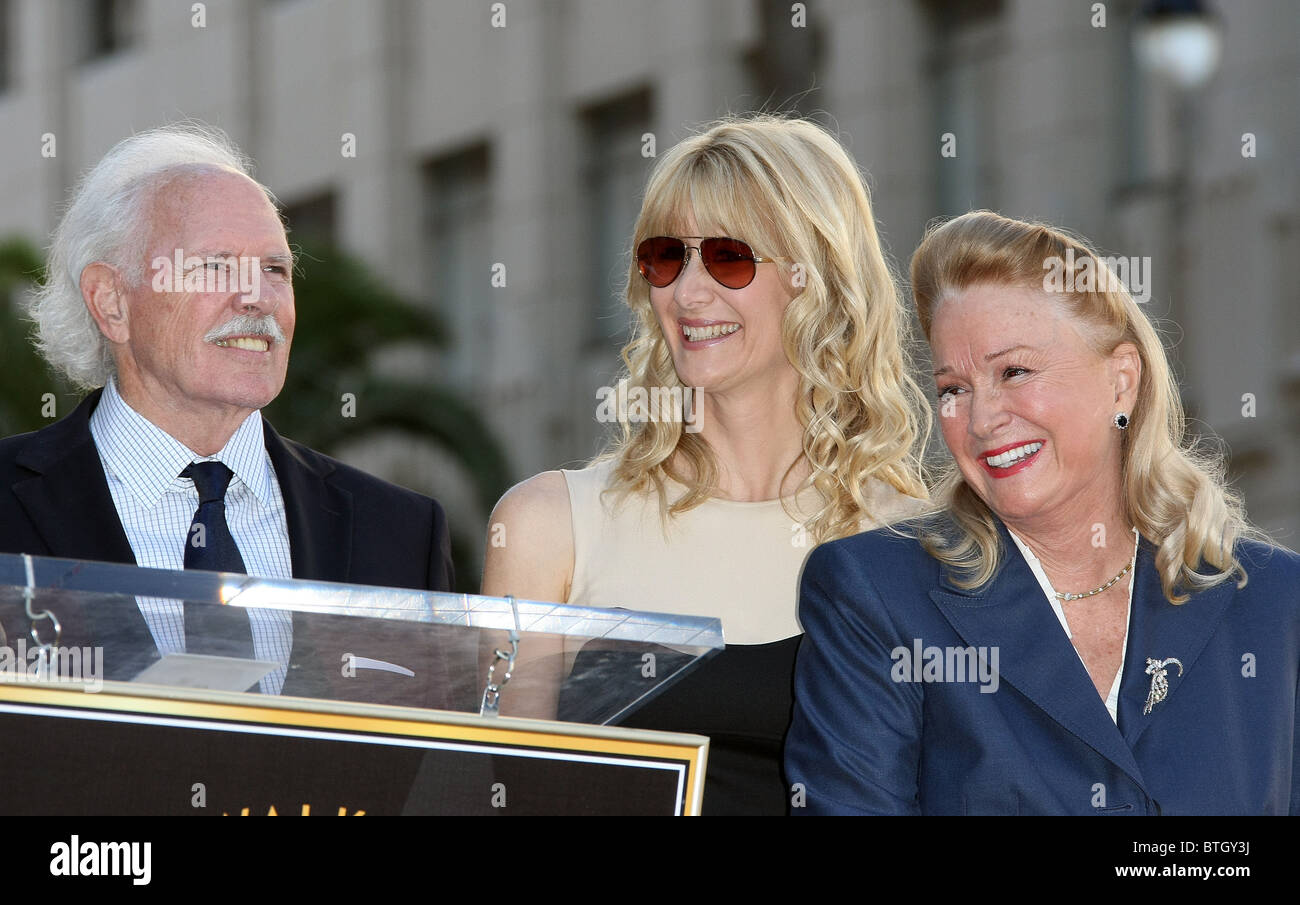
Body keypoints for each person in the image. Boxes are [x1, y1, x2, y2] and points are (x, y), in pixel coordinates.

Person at [482, 114, 929, 814]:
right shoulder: (549, 527)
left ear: (814, 279)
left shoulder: (914, 543)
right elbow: (498, 797)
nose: (687, 293)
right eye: (665, 256)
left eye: (728, 257)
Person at [786, 210, 1300, 815]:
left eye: (1015, 372)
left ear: (1121, 383)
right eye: (953, 388)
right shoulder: (875, 594)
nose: (981, 420)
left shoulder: (1273, 601)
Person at [0, 123, 454, 702]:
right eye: (215, 265)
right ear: (111, 302)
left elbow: (436, 777)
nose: (257, 298)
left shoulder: (399, 532)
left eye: (275, 270)